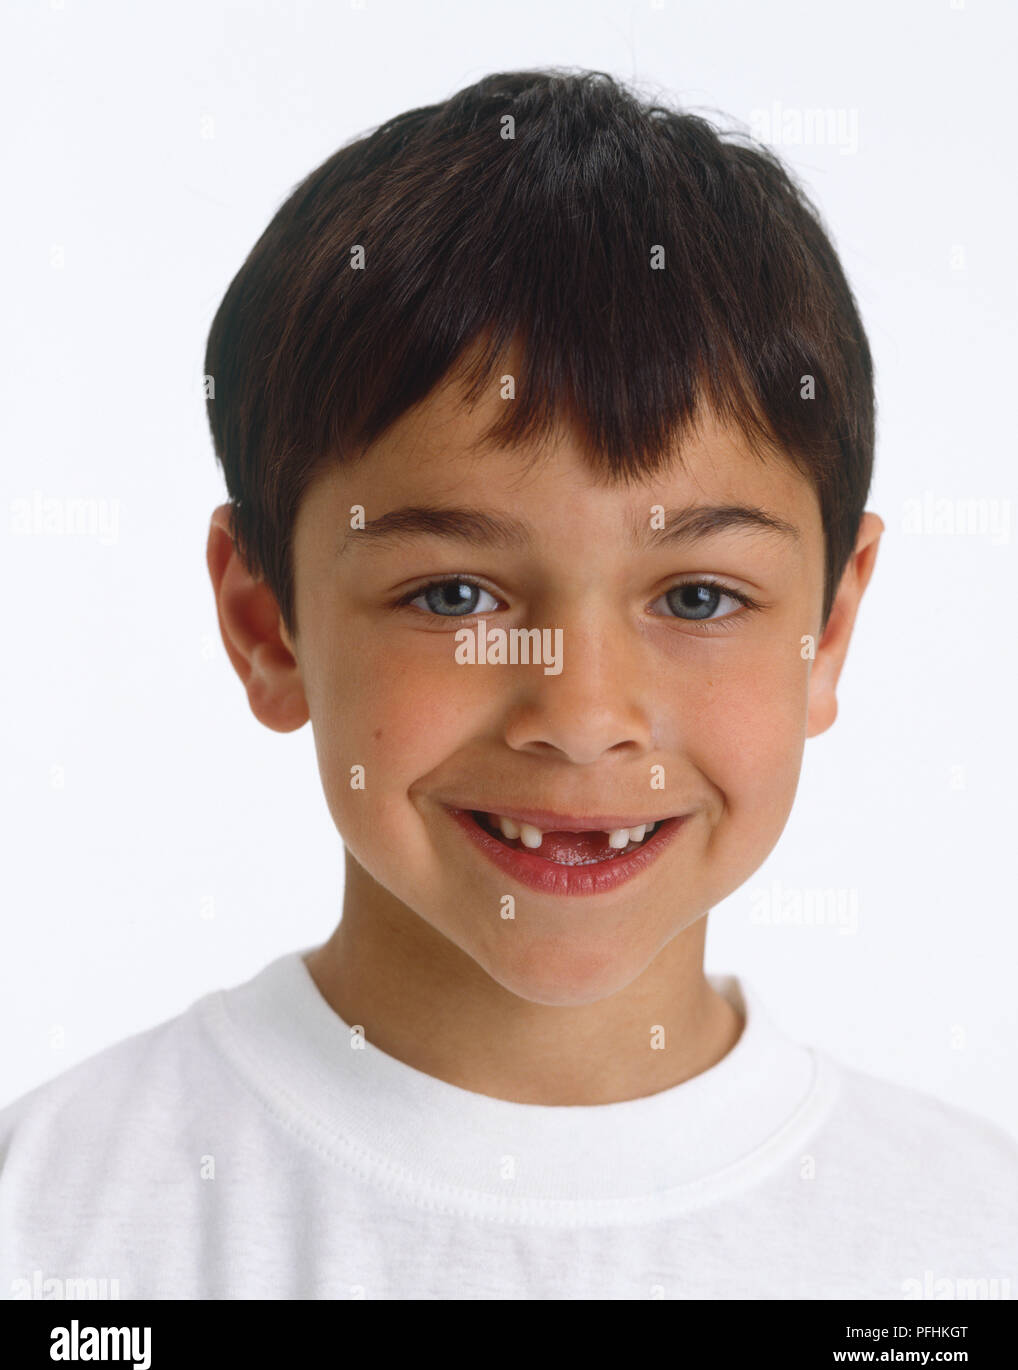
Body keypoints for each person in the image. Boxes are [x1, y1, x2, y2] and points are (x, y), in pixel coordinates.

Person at [2, 69, 1015, 1301]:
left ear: (830, 624)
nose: (582, 717)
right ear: (266, 621)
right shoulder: (51, 1224)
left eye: (697, 596)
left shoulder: (966, 1245)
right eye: (455, 596)